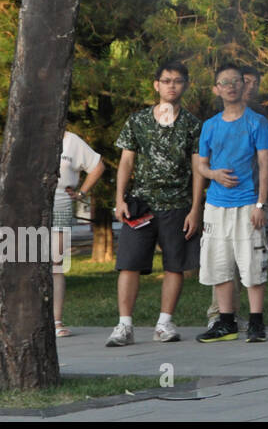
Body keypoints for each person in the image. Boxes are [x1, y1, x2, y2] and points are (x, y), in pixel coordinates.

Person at [106, 62, 204, 346]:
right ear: (156, 85)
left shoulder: (193, 125)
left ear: (185, 85)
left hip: (178, 205)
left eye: (178, 81)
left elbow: (198, 168)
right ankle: (124, 325)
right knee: (129, 264)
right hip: (141, 206)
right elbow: (126, 161)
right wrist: (119, 199)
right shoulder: (138, 121)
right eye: (166, 80)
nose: (172, 86)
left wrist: (195, 208)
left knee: (175, 265)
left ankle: (164, 323)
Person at [195, 62, 268, 343]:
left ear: (244, 85)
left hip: (247, 203)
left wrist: (260, 204)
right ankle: (225, 322)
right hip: (216, 205)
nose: (230, 86)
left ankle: (256, 322)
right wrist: (214, 174)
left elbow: (264, 165)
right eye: (224, 82)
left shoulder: (257, 122)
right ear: (216, 89)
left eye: (235, 81)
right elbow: (201, 166)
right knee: (219, 263)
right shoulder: (210, 126)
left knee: (252, 262)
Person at [53, 129, 105, 338]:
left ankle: (56, 320)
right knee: (29, 262)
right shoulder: (31, 134)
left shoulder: (72, 140)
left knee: (54, 264)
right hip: (30, 206)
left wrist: (81, 193)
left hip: (61, 205)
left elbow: (97, 166)